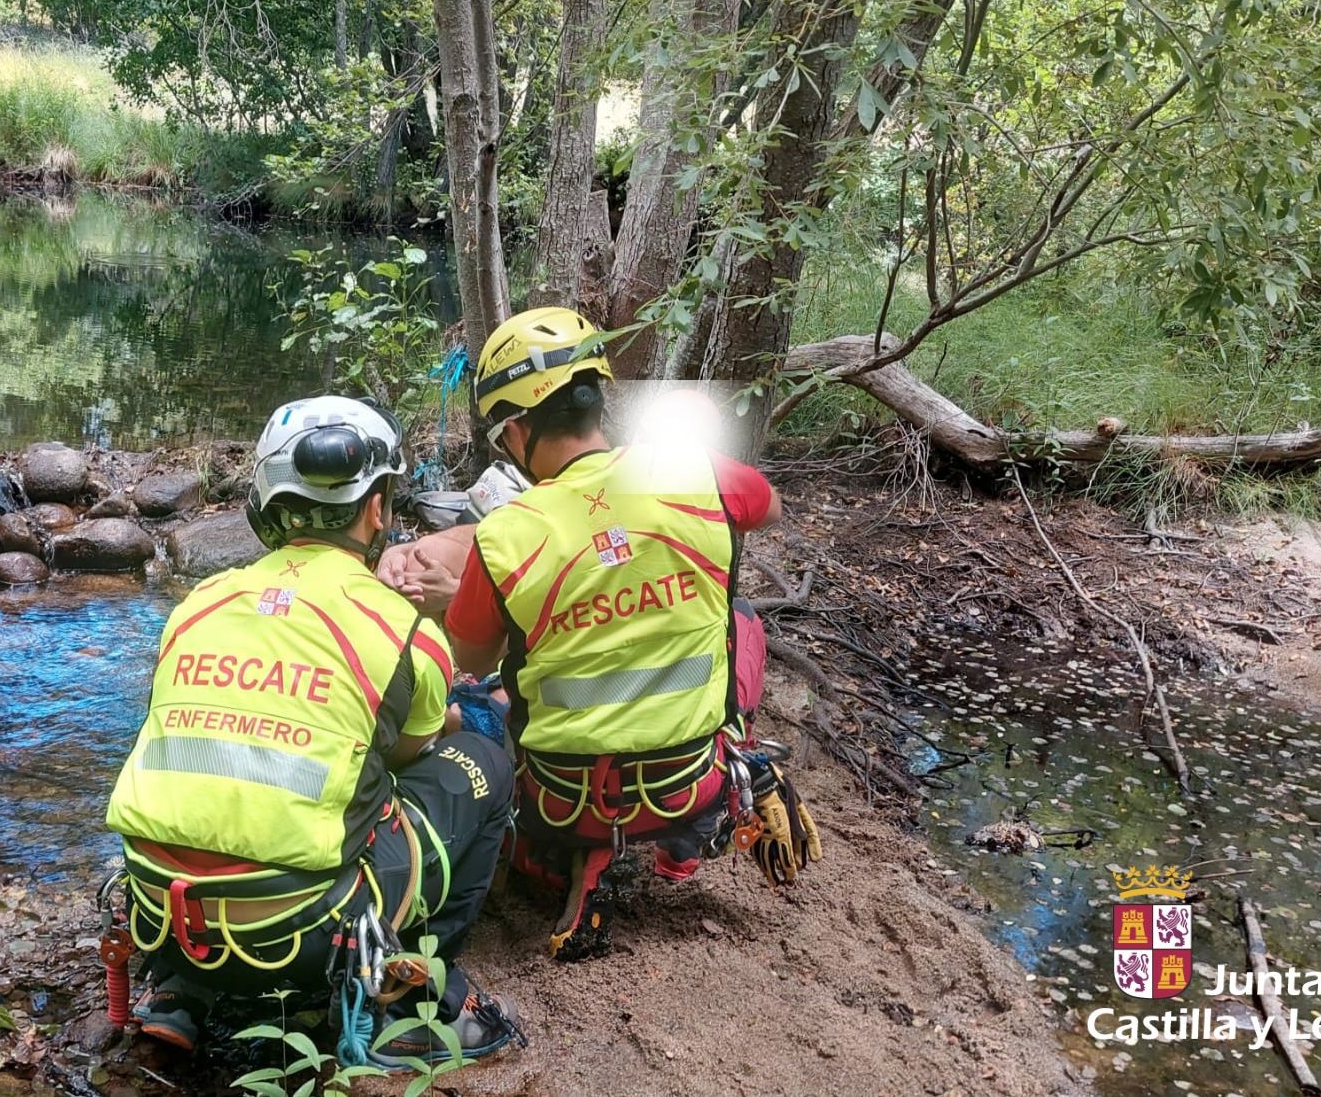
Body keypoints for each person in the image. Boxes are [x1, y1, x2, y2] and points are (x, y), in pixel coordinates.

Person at [104, 395, 521, 1066]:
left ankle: (181, 990)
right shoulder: (401, 625)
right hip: (301, 933)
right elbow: (409, 752)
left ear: (264, 505)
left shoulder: (196, 604)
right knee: (481, 762)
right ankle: (408, 989)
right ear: (378, 508)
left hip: (162, 916)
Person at [443, 306, 822, 961]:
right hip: (687, 781)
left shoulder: (505, 535)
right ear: (597, 400)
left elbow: (469, 657)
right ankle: (728, 786)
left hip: (564, 802)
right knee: (742, 618)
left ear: (518, 428)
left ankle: (576, 864)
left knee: (475, 704)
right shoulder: (693, 473)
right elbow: (769, 506)